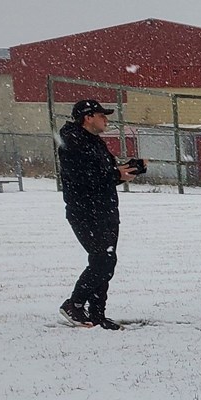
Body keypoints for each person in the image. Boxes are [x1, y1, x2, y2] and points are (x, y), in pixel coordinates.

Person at [57, 99, 137, 329]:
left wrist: (124, 172)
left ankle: (97, 314)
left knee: (105, 261)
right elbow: (84, 177)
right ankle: (74, 304)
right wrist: (115, 174)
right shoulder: (72, 142)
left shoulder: (95, 142)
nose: (106, 120)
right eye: (102, 116)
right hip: (86, 212)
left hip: (105, 209)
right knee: (103, 260)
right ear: (88, 117)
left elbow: (103, 175)